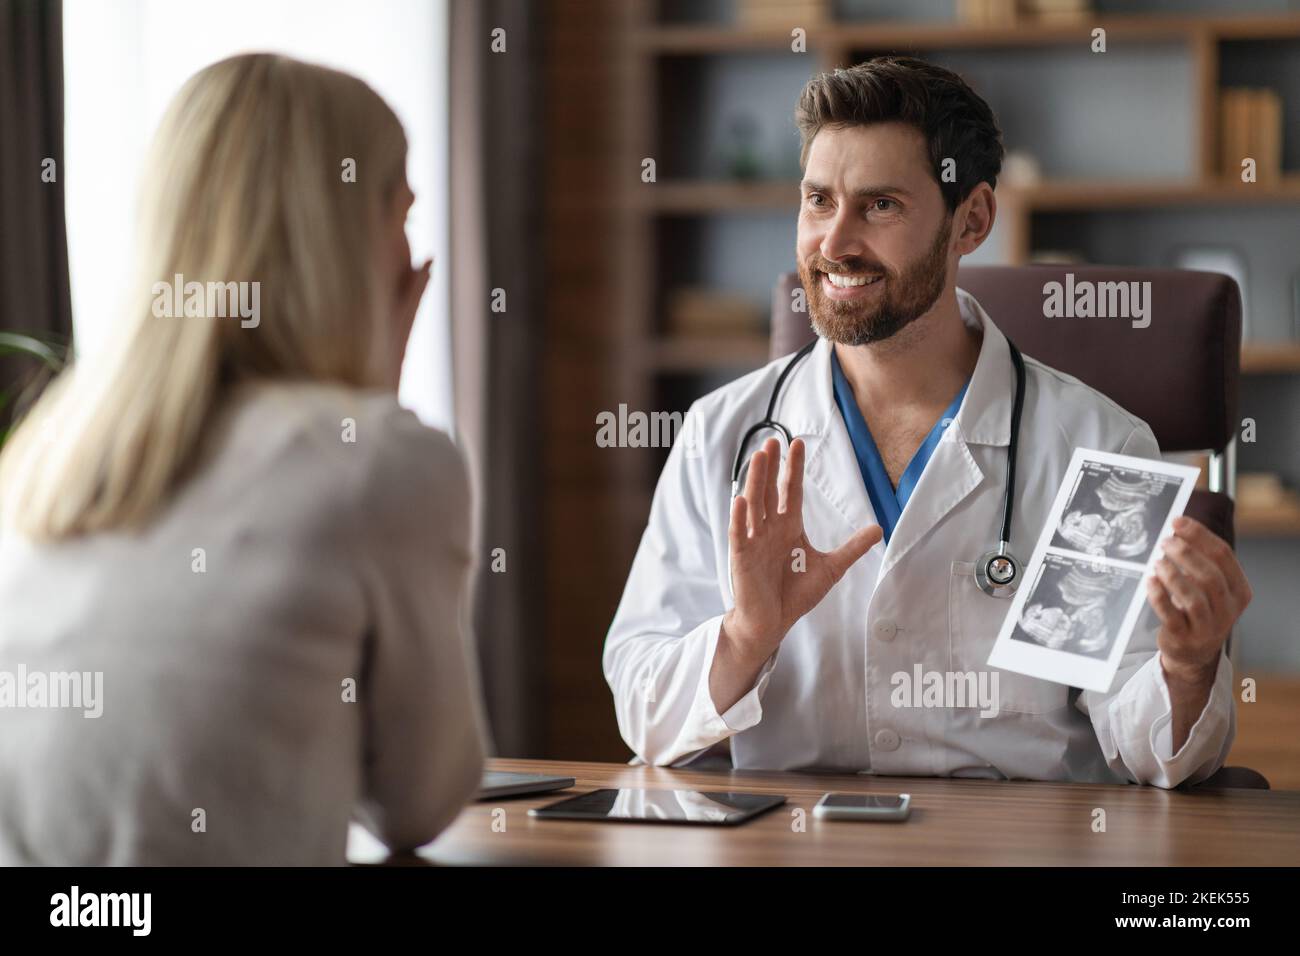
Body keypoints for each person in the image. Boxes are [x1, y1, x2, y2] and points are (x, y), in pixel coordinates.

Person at [603, 56, 1252, 788]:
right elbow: (645, 713)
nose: (836, 242)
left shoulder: (1094, 449)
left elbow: (1146, 750)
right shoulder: (720, 436)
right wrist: (748, 634)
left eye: (880, 206)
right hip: (787, 846)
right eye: (819, 201)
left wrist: (1188, 666)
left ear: (970, 220)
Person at [0, 54, 488, 864]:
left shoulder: (48, 453)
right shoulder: (379, 462)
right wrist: (374, 406)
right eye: (400, 216)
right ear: (345, 237)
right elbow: (419, 800)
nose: (411, 260)